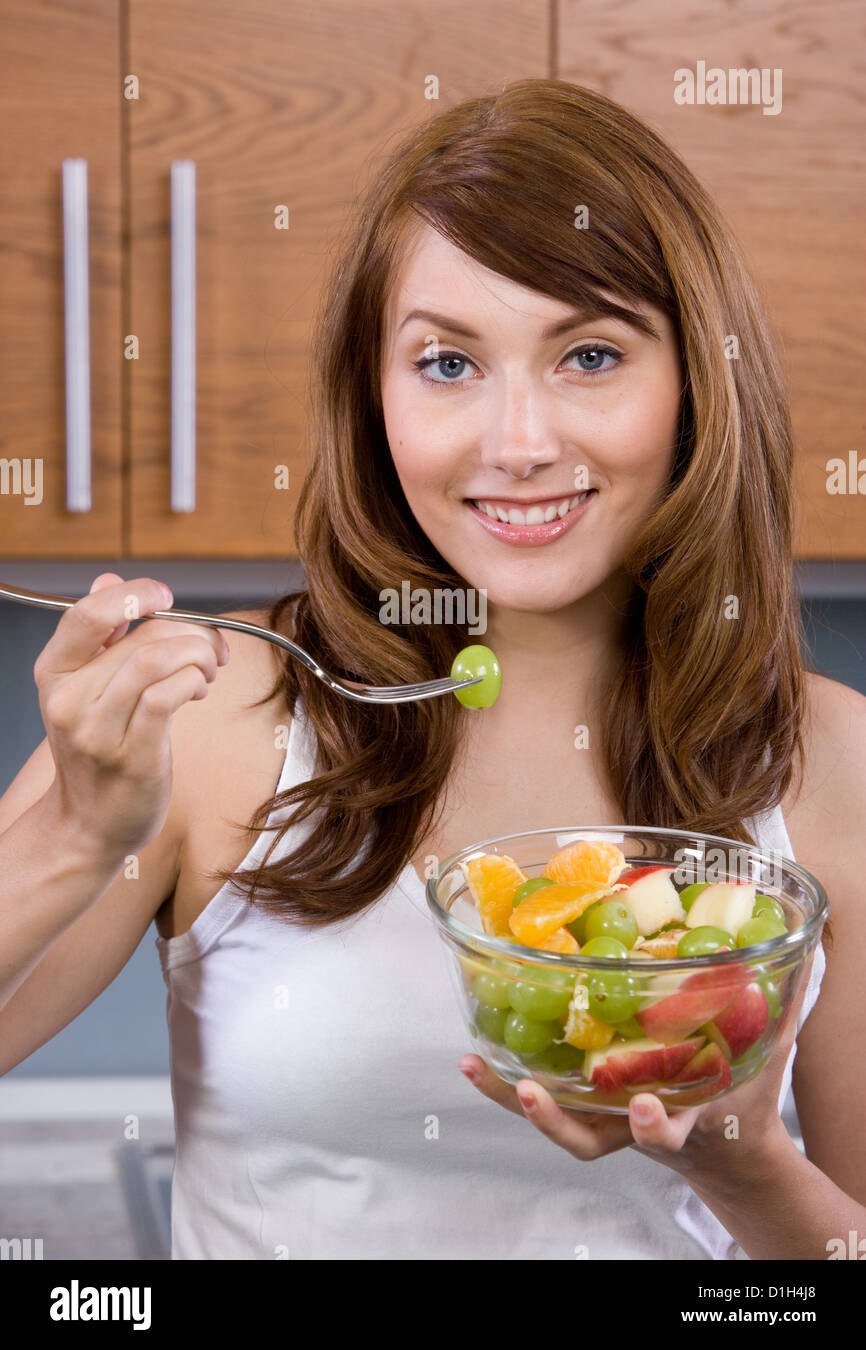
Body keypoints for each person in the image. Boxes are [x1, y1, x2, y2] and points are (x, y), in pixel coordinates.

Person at [0, 79, 863, 1260]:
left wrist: (743, 1164)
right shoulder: (213, 712)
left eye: (591, 354)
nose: (516, 445)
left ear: (694, 387)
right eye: (447, 364)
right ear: (373, 395)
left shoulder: (830, 766)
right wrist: (76, 838)